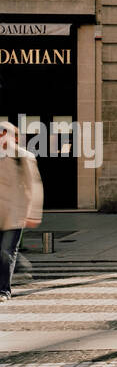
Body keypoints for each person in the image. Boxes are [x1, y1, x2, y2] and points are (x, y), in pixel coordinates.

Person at [0, 121, 43, 303]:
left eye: (4, 133)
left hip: (14, 214)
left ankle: (3, 290)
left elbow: (34, 186)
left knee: (6, 251)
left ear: (13, 137)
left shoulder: (24, 156)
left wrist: (33, 213)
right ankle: (20, 269)